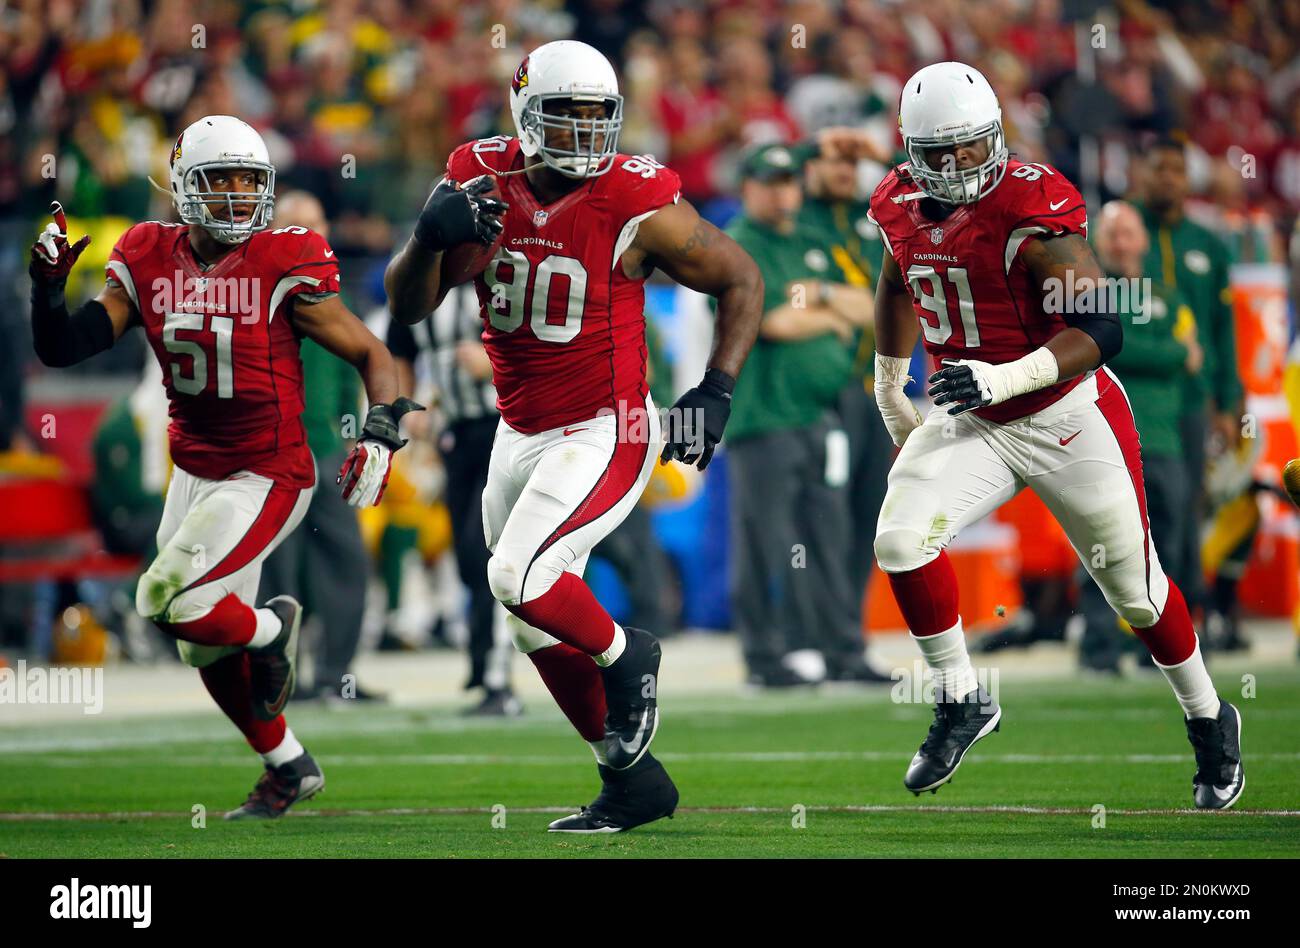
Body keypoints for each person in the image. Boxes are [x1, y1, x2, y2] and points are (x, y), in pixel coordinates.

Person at [384, 41, 763, 832]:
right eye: (568, 115)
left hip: (606, 425)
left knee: (516, 578)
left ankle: (631, 657)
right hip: (515, 427)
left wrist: (715, 388)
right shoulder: (477, 176)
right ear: (526, 113)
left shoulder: (633, 197)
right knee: (528, 620)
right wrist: (427, 237)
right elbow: (409, 307)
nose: (588, 133)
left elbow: (741, 277)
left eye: (600, 117)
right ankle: (630, 780)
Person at [869, 63, 1243, 810]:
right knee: (900, 541)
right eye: (937, 154)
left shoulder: (1031, 207)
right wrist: (887, 378)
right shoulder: (897, 204)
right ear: (911, 152)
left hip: (1068, 413)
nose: (955, 168)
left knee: (1134, 593)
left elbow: (1102, 328)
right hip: (974, 416)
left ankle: (1208, 716)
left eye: (970, 149)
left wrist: (999, 379)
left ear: (996, 137)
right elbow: (897, 277)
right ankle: (962, 698)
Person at [28, 115, 419, 819]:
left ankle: (272, 630)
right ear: (182, 187)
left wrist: (382, 432)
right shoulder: (147, 252)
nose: (239, 197)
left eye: (250, 182)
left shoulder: (284, 257)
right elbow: (63, 349)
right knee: (198, 646)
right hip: (196, 472)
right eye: (221, 181)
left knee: (163, 599)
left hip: (268, 470)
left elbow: (372, 352)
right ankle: (288, 765)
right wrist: (47, 292)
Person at [724, 143, 874, 687]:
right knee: (767, 541)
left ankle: (843, 650)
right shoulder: (739, 245)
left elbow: (866, 308)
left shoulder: (810, 242)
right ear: (747, 187)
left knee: (829, 539)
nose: (782, 191)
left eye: (789, 181)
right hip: (764, 417)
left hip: (820, 414)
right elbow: (772, 323)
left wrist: (822, 298)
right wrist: (827, 316)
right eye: (770, 181)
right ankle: (765, 657)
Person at [256, 190, 379, 704]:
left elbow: (355, 370)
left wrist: (357, 437)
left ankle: (335, 674)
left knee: (349, 560)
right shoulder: (261, 294)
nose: (308, 234)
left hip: (327, 449)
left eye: (314, 223)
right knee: (279, 573)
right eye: (295, 225)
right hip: (275, 454)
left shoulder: (332, 293)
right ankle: (279, 681)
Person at [1076, 201, 1201, 673]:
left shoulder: (1168, 294)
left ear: (1143, 240)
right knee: (1099, 539)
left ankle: (1159, 650)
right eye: (1112, 235)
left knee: (1167, 544)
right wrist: (1165, 350)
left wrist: (1141, 348)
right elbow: (1111, 348)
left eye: (1129, 233)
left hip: (1165, 437)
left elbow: (1194, 357)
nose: (1121, 243)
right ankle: (1098, 647)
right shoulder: (1086, 293)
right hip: (1102, 436)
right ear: (1099, 243)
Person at [388, 282, 523, 716]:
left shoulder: (503, 275)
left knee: (487, 550)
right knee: (468, 560)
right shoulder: (423, 280)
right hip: (456, 436)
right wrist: (408, 408)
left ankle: (499, 679)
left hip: (506, 428)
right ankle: (484, 664)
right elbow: (399, 347)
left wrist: (496, 361)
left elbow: (540, 340)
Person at [798, 128, 896, 682]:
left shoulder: (869, 222)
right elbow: (801, 292)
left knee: (868, 520)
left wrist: (879, 154)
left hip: (874, 391)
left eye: (850, 161)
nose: (843, 168)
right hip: (825, 395)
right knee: (825, 527)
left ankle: (848, 637)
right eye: (831, 157)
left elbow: (928, 191)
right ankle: (832, 645)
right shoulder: (799, 222)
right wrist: (844, 301)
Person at [1137, 139, 1243, 631]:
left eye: (1177, 170)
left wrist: (1230, 400)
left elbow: (1225, 328)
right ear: (1144, 173)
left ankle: (1189, 614)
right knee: (1146, 509)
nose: (1168, 179)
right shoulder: (1127, 236)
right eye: (1160, 168)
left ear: (1187, 178)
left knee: (1189, 505)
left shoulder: (1209, 246)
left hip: (1196, 399)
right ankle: (1144, 620)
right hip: (1143, 400)